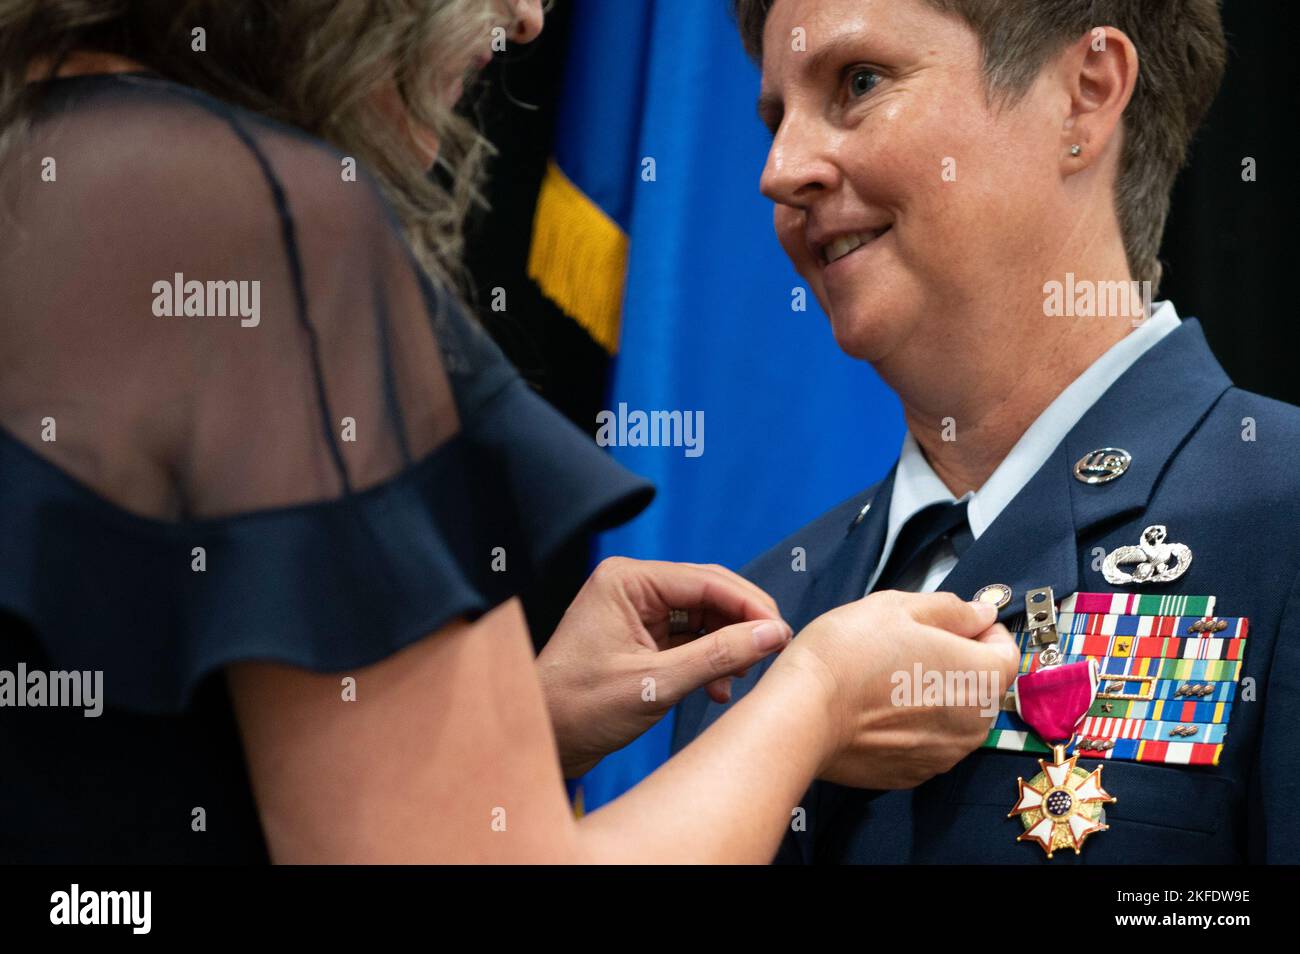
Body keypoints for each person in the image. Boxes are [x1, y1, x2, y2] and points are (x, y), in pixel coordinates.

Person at [0, 0, 1016, 863]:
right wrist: (814, 701)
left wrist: (520, 725)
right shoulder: (254, 214)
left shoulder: (45, 158)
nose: (530, 16)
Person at [674, 0, 1300, 863]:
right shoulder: (759, 626)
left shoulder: (1284, 521)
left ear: (1084, 95)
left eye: (858, 83)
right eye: (776, 119)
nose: (780, 171)